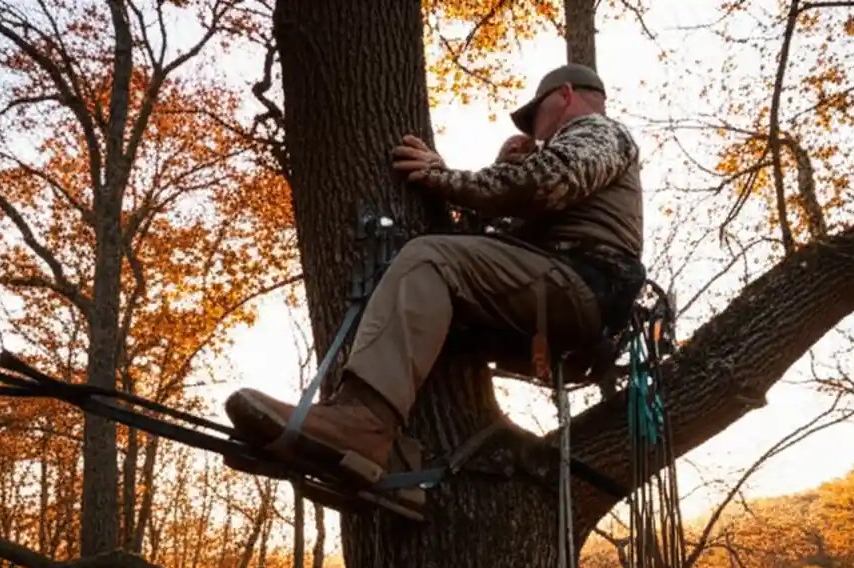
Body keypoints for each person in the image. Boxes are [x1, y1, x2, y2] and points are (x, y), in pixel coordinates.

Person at [224, 63, 645, 488]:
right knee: (439, 303)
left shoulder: (600, 131)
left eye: (536, 115)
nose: (534, 131)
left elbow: (544, 182)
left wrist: (443, 177)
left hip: (582, 283)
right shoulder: (565, 156)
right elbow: (484, 243)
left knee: (429, 259)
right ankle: (398, 462)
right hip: (557, 290)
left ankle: (363, 424)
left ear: (565, 95)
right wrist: (496, 175)